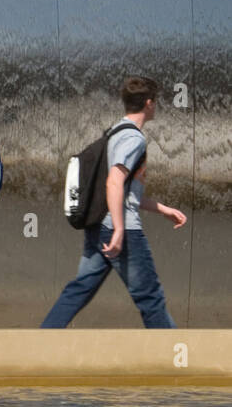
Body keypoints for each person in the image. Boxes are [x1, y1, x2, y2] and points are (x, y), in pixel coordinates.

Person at [41, 77, 187, 329]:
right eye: (156, 102)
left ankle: (41, 341)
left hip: (99, 225)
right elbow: (114, 183)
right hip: (121, 229)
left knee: (80, 288)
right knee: (150, 296)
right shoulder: (134, 139)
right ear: (149, 103)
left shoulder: (116, 131)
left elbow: (125, 192)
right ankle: (173, 358)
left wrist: (163, 209)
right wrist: (119, 229)